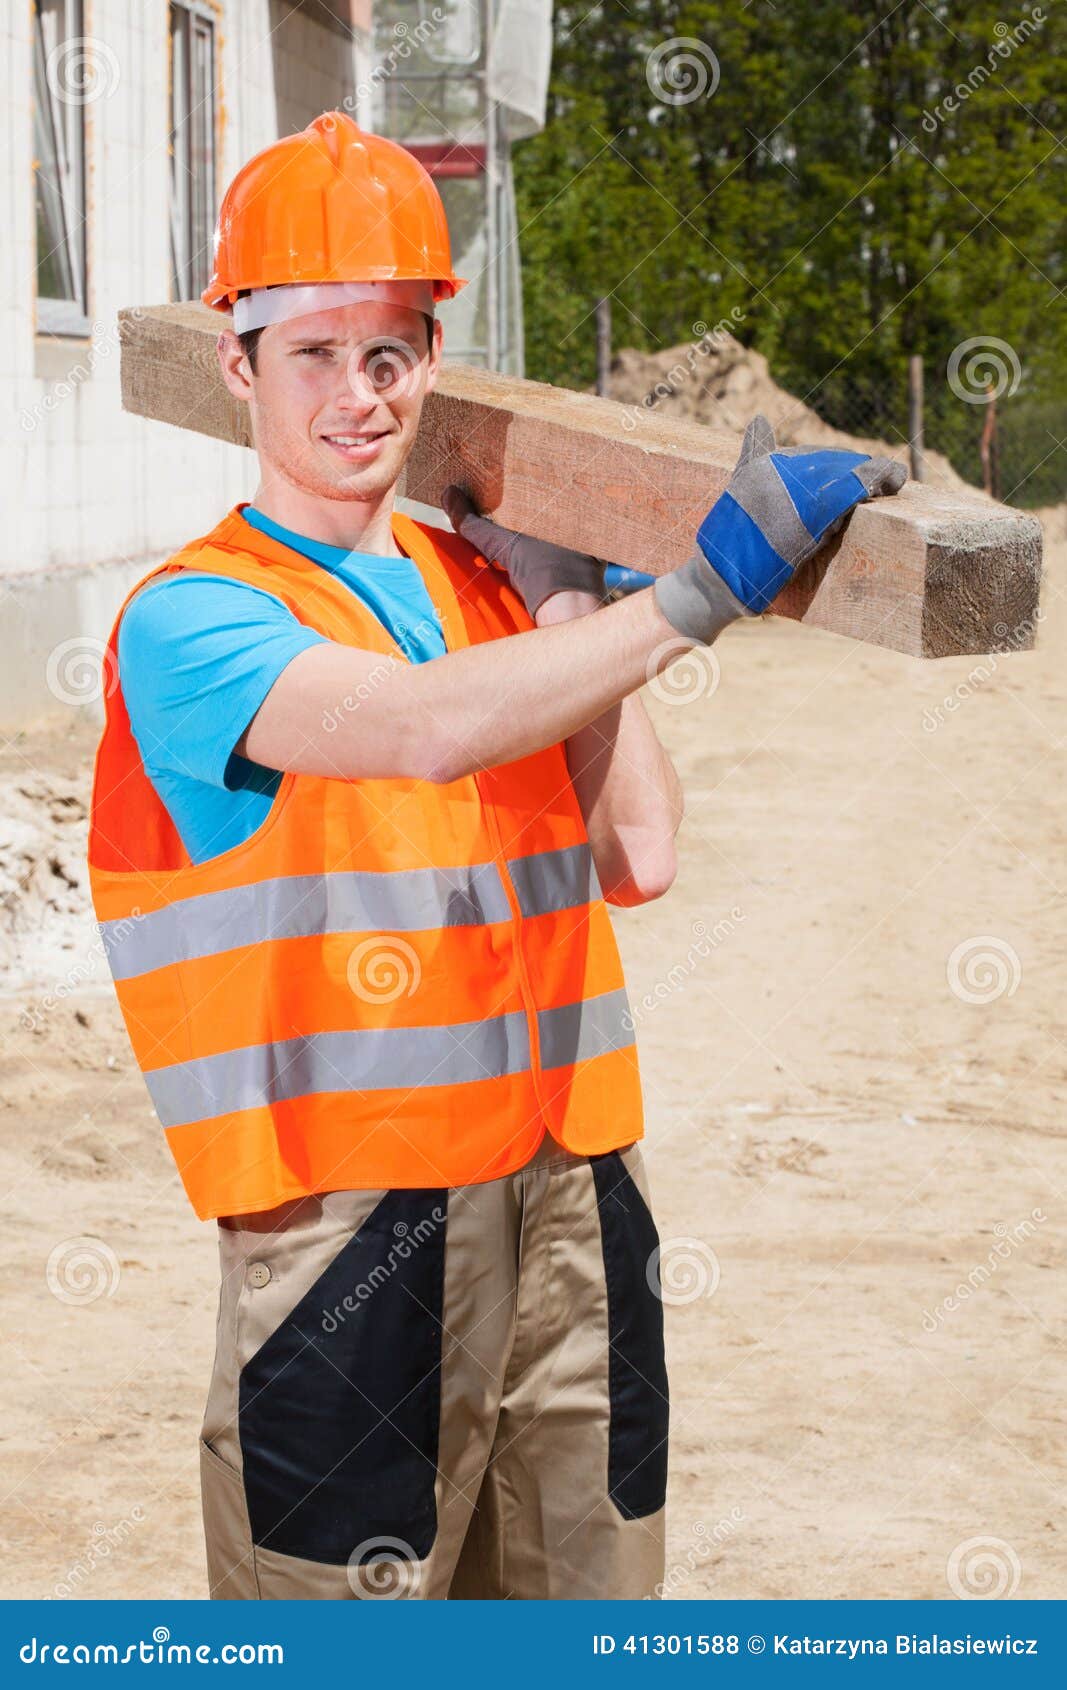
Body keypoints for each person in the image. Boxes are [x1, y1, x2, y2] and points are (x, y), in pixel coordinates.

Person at [87, 111, 904, 1601]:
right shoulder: (192, 621)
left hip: (579, 1194)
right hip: (350, 1244)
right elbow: (411, 732)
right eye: (314, 351)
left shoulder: (485, 593)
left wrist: (553, 612)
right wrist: (685, 603)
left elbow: (640, 851)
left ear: (431, 363)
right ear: (236, 364)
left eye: (389, 352)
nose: (358, 393)